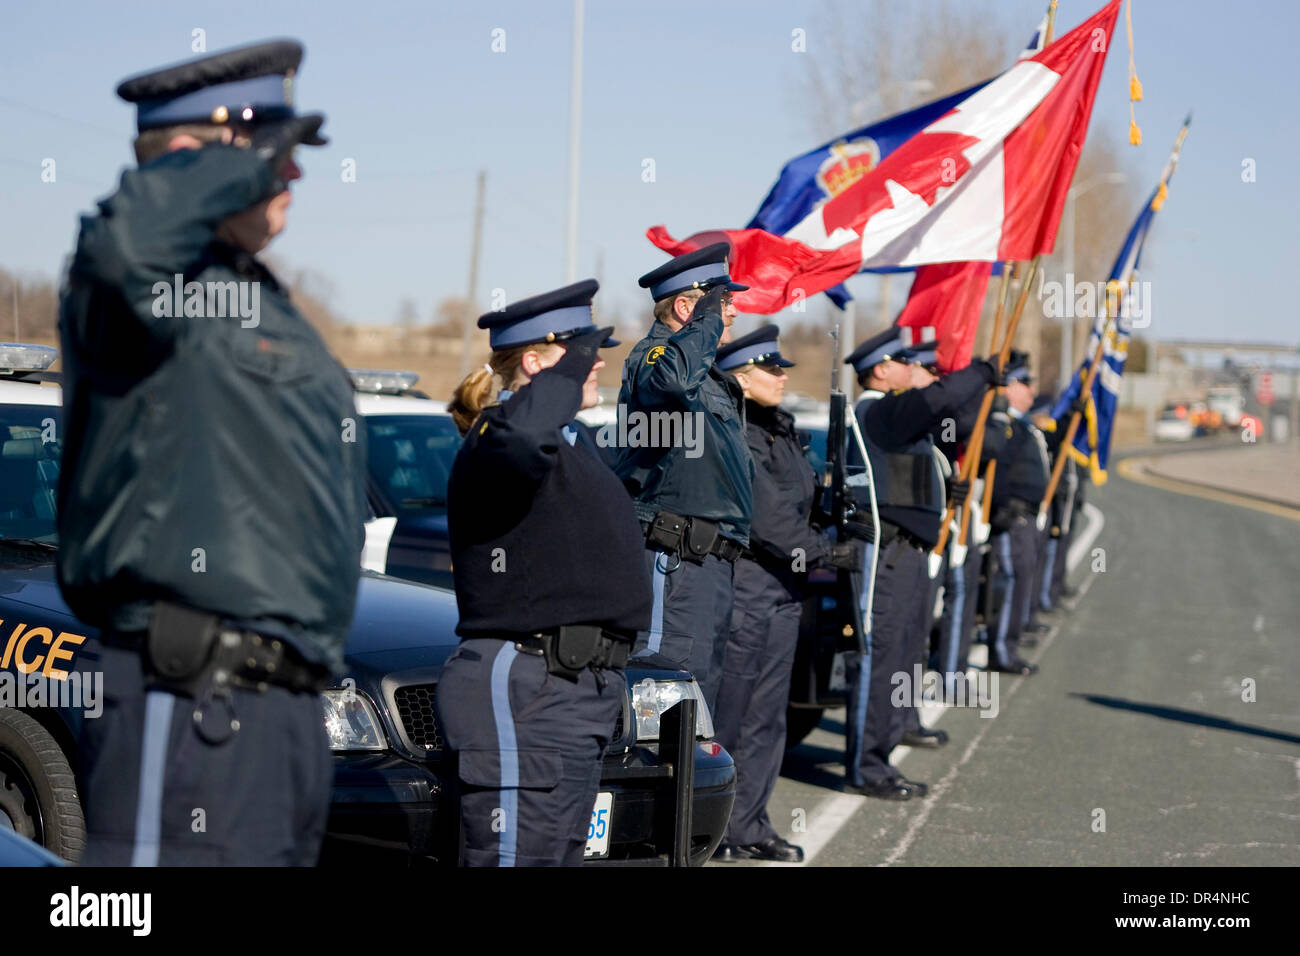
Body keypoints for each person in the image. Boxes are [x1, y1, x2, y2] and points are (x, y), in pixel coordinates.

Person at [57, 40, 365, 865]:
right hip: (193, 701)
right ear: (196, 158)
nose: (291, 175)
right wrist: (231, 162)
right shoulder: (141, 282)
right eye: (276, 155)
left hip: (282, 716)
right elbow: (125, 252)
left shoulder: (253, 294)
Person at [438, 279, 650, 867]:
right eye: (579, 352)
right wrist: (567, 368)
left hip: (576, 689)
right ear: (533, 363)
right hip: (527, 683)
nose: (596, 363)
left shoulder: (572, 441)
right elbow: (525, 435)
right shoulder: (498, 436)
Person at [710, 325, 858, 863]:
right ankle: (716, 828)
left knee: (768, 717)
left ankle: (750, 825)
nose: (781, 376)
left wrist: (837, 511)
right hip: (750, 584)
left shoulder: (781, 428)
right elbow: (769, 520)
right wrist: (824, 550)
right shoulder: (738, 434)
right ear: (742, 380)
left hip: (784, 589)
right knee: (732, 715)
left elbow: (800, 499)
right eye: (770, 370)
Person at [840, 328, 1001, 799]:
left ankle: (882, 759)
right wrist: (982, 372)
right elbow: (936, 401)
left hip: (908, 552)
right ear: (881, 370)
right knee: (880, 658)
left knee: (902, 656)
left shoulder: (892, 417)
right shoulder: (880, 411)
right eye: (903, 361)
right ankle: (865, 767)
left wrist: (943, 494)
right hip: (886, 555)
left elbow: (917, 462)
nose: (914, 367)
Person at [615, 243, 754, 710]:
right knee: (666, 698)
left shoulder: (706, 374)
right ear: (685, 306)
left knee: (699, 707)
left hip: (710, 562)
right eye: (722, 302)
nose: (731, 312)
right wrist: (708, 320)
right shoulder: (654, 357)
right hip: (674, 560)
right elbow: (671, 384)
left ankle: (696, 787)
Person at [987, 359, 1053, 674]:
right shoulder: (1004, 426)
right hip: (1013, 517)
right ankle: (1001, 650)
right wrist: (1002, 508)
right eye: (1025, 384)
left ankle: (1010, 644)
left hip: (1028, 516)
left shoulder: (1024, 425)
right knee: (1012, 581)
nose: (1031, 391)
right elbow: (997, 470)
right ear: (1011, 388)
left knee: (1023, 580)